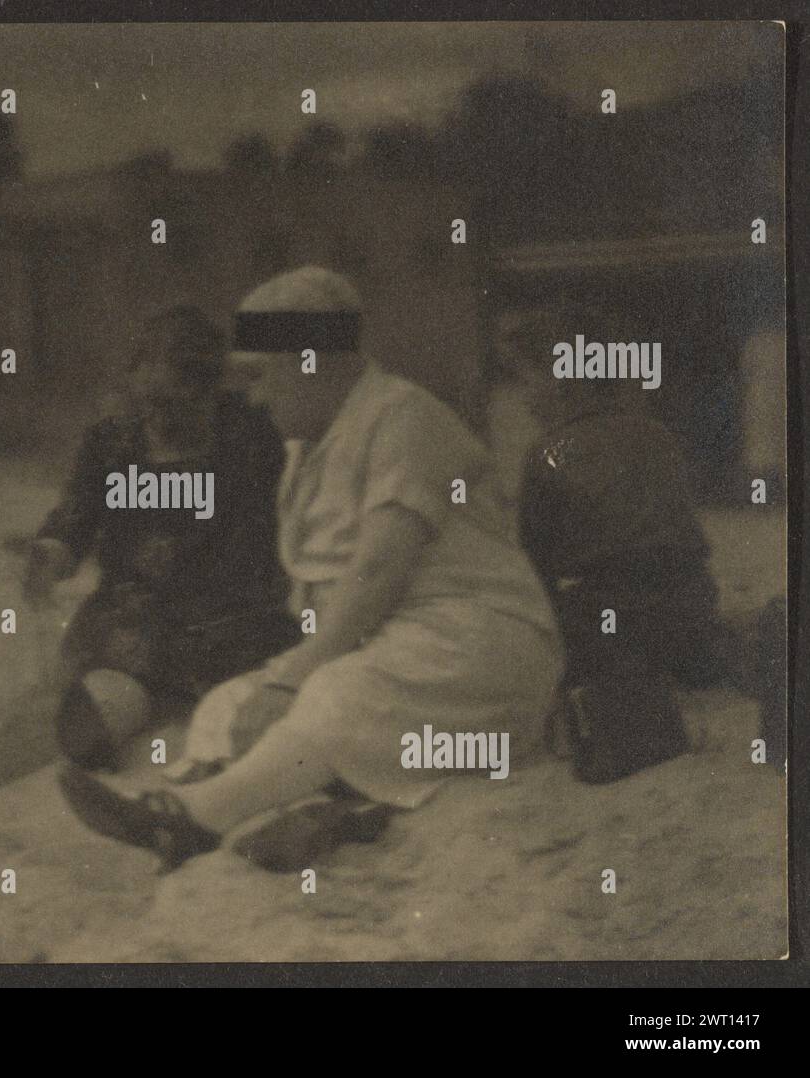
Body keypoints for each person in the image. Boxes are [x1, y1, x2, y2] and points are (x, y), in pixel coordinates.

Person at [58, 267, 564, 871]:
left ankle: (197, 816)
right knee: (227, 704)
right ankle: (261, 803)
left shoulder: (406, 419)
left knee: (332, 694)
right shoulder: (309, 446)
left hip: (470, 647)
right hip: (379, 645)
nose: (252, 396)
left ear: (309, 362)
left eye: (259, 376)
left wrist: (290, 680)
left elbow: (379, 571)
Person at [24, 305, 293, 771]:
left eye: (175, 401)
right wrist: (54, 550)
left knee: (244, 705)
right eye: (146, 402)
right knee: (95, 713)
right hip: (132, 613)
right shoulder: (112, 441)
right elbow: (79, 508)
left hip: (230, 613)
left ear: (211, 389)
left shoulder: (250, 437)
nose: (157, 417)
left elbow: (269, 539)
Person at [504, 302, 741, 782]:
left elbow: (536, 566)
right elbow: (684, 533)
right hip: (691, 607)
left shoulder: (546, 455)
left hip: (614, 620)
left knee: (575, 632)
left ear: (559, 381)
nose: (523, 398)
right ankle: (693, 668)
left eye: (526, 381)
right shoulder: (656, 435)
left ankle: (635, 707)